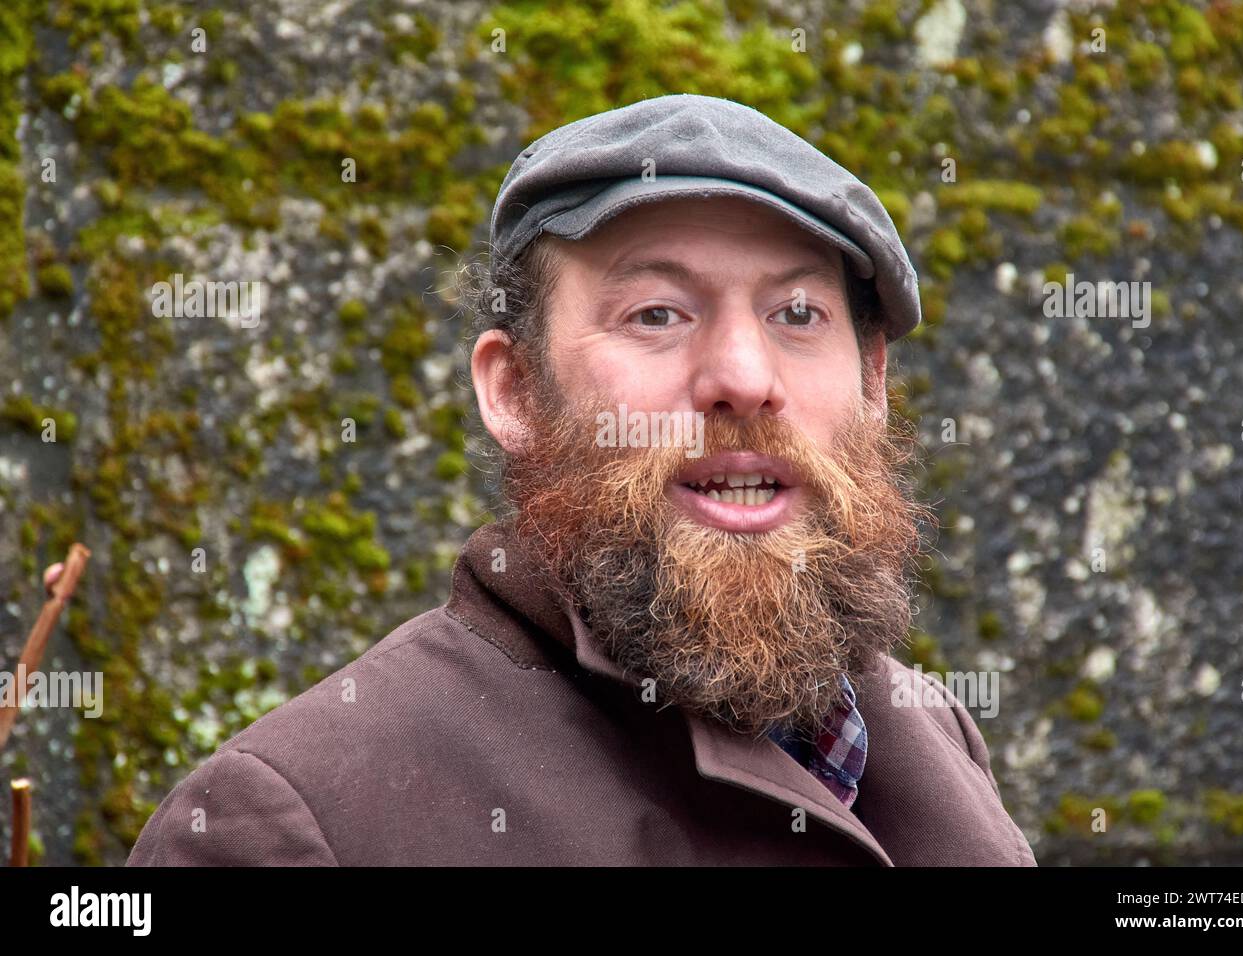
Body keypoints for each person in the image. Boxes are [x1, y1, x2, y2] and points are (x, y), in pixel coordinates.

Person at [128, 94, 1035, 866]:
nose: (746, 378)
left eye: (797, 312)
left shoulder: (929, 734)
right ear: (514, 390)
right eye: (656, 313)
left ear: (873, 384)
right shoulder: (299, 819)